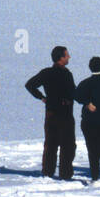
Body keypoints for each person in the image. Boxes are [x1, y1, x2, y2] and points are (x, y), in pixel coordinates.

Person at [25, 46, 77, 180]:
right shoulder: (66, 73)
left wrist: (42, 97)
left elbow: (30, 85)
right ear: (61, 57)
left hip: (51, 112)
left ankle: (48, 172)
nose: (69, 57)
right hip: (65, 113)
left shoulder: (46, 72)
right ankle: (65, 174)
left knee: (50, 144)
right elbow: (73, 92)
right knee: (68, 145)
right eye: (67, 55)